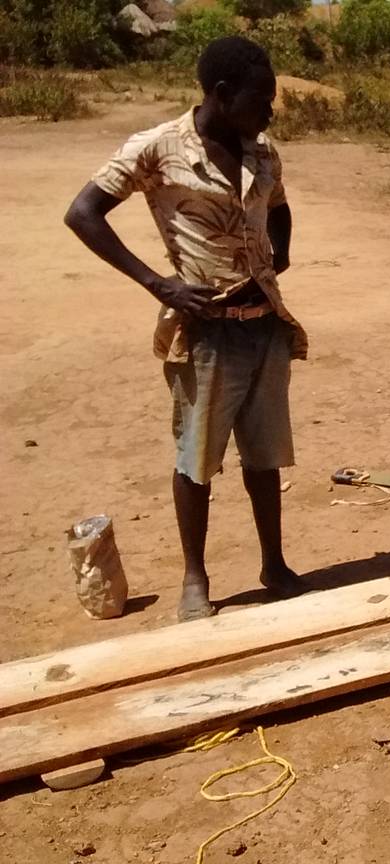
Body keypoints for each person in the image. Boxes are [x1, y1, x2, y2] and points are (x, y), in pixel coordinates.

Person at [64, 36, 306, 621]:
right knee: (196, 461)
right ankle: (195, 579)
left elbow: (278, 206)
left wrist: (280, 253)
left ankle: (273, 565)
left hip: (264, 325)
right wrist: (159, 284)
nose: (270, 110)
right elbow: (82, 213)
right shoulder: (157, 149)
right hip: (205, 334)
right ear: (221, 94)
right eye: (261, 98)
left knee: (264, 457)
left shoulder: (261, 151)